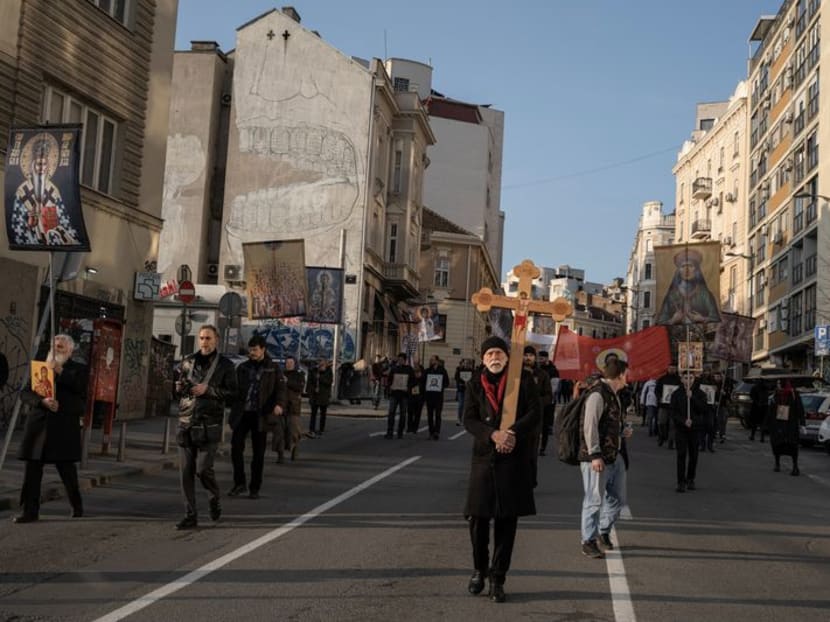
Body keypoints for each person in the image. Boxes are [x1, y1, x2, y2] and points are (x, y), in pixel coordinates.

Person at [463, 336, 540, 603]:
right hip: (484, 459)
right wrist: (492, 434)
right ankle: (479, 570)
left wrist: (512, 433)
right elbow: (468, 419)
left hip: (513, 459)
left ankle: (498, 578)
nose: (494, 357)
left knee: (507, 523)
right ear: (483, 358)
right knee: (478, 520)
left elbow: (535, 412)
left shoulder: (523, 380)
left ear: (507, 356)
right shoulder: (474, 383)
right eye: (490, 354)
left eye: (499, 353)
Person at [14, 335, 87, 523]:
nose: (57, 351)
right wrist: (42, 402)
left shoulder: (77, 370)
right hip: (39, 428)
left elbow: (80, 390)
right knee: (32, 471)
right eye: (54, 347)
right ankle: (29, 511)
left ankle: (76, 505)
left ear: (70, 351)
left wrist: (61, 371)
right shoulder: (40, 367)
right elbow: (25, 393)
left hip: (62, 430)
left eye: (61, 348)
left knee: (67, 472)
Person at [173, 325, 237, 529]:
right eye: (201, 338)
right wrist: (179, 389)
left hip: (210, 424)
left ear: (216, 339)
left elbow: (233, 394)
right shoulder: (188, 361)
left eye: (208, 338)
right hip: (186, 423)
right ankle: (190, 514)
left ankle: (213, 497)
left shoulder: (226, 365)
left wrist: (209, 390)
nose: (204, 342)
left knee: (203, 469)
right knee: (185, 472)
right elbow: (179, 392)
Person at [578, 358, 632, 558]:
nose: (628, 377)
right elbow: (589, 426)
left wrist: (622, 431)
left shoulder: (615, 395)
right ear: (620, 374)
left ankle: (603, 531)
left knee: (617, 499)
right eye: (626, 373)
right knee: (594, 500)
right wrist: (594, 454)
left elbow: (609, 423)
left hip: (615, 455)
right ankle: (588, 540)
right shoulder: (598, 394)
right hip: (598, 458)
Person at [229, 335, 286, 498]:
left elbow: (281, 389)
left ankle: (255, 488)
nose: (252, 352)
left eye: (255, 350)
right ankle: (239, 483)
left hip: (261, 415)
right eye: (250, 349)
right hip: (242, 413)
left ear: (263, 349)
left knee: (258, 453)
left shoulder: (273, 368)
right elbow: (235, 389)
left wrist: (279, 405)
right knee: (236, 448)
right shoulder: (243, 367)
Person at [10, 133, 82, 246]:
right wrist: (29, 223)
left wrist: (57, 228)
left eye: (45, 164)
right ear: (32, 165)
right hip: (31, 240)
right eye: (39, 164)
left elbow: (64, 220)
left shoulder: (53, 191)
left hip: (52, 239)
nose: (42, 168)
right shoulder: (22, 191)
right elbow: (16, 224)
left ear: (48, 166)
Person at [656, 247, 721, 324]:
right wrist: (673, 320)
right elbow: (660, 322)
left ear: (696, 270)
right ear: (678, 270)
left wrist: (702, 319)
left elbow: (716, 318)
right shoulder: (671, 296)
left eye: (690, 266)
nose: (686, 270)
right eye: (683, 266)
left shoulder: (705, 294)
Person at [669, 372, 708, 492]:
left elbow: (703, 409)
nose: (689, 380)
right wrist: (683, 421)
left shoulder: (700, 394)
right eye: (686, 378)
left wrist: (693, 398)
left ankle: (690, 479)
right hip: (681, 428)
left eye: (691, 378)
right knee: (681, 454)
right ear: (681, 379)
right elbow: (673, 412)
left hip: (695, 428)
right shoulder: (676, 394)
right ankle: (680, 482)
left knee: (693, 455)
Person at [766, 379, 804, 476]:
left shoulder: (794, 394)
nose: (777, 385)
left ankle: (795, 466)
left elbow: (800, 409)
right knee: (776, 444)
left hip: (790, 425)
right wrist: (767, 424)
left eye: (779, 383)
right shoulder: (776, 395)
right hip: (778, 425)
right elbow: (771, 410)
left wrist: (803, 424)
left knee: (793, 445)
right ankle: (777, 463)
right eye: (777, 383)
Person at [277, 356, 305, 461]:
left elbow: (300, 387)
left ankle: (294, 448)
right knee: (279, 431)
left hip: (293, 406)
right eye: (287, 362)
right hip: (281, 406)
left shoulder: (299, 375)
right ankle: (280, 455)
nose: (288, 364)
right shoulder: (280, 374)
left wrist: (287, 381)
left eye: (291, 362)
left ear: (295, 364)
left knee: (293, 431)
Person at [385, 353, 413, 439]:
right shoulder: (394, 369)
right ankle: (390, 432)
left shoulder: (409, 369)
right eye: (399, 359)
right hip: (394, 394)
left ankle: (400, 432)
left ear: (405, 360)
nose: (400, 361)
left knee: (403, 414)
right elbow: (389, 380)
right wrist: (391, 386)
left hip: (404, 395)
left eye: (401, 360)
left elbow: (413, 381)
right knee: (391, 413)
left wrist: (408, 388)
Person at [424, 355, 450, 440]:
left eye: (433, 360)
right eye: (430, 360)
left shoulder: (442, 371)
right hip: (429, 396)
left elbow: (447, 382)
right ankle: (431, 432)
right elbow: (424, 381)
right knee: (430, 415)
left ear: (437, 361)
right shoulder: (427, 371)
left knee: (438, 415)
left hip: (438, 396)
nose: (431, 361)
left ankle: (436, 432)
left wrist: (440, 386)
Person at [656, 365, 681, 449]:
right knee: (661, 422)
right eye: (670, 368)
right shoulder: (662, 379)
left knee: (672, 425)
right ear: (668, 369)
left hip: (674, 407)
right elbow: (657, 390)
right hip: (663, 405)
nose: (672, 370)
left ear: (676, 369)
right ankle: (662, 437)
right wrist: (659, 397)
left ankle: (671, 442)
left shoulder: (679, 380)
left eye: (674, 369)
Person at [307, 359, 333, 437]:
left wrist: (320, 377)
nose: (320, 365)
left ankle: (321, 429)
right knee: (313, 413)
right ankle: (312, 429)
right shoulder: (313, 371)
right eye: (319, 363)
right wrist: (310, 393)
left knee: (323, 413)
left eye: (322, 363)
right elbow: (310, 382)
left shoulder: (328, 371)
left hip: (323, 395)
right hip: (315, 395)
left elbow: (329, 382)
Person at [454, 359, 474, 426]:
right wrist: (462, 382)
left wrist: (469, 383)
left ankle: (465, 419)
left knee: (467, 406)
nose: (466, 364)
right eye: (465, 363)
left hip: (469, 391)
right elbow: (456, 378)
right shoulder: (460, 370)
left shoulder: (472, 371)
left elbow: (474, 379)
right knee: (461, 405)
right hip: (461, 390)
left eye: (467, 363)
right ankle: (459, 418)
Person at [407, 364, 425, 433]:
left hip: (419, 398)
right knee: (410, 413)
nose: (416, 371)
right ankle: (409, 427)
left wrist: (419, 378)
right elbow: (409, 385)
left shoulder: (423, 378)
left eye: (418, 370)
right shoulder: (411, 377)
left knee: (417, 414)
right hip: (412, 397)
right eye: (415, 370)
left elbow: (424, 388)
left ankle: (415, 428)